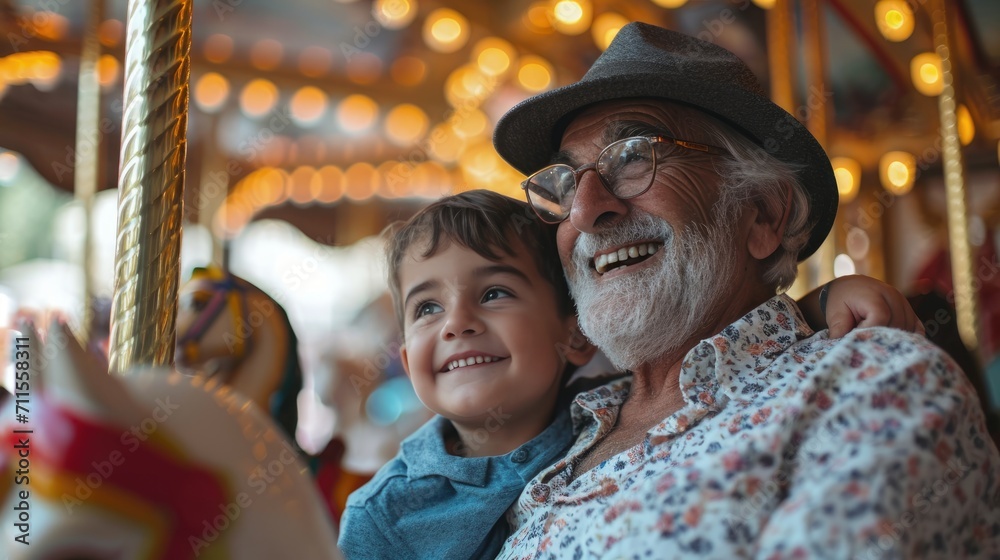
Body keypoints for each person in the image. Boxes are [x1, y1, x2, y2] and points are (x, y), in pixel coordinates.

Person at [489, 22, 1000, 559]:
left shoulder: (876, 381)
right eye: (566, 180)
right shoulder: (554, 430)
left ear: (763, 214)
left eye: (634, 155)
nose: (587, 210)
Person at [337, 190, 928, 559]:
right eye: (426, 308)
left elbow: (727, 349)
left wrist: (817, 304)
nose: (456, 323)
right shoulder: (390, 515)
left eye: (493, 293)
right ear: (407, 353)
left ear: (575, 333)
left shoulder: (608, 410)